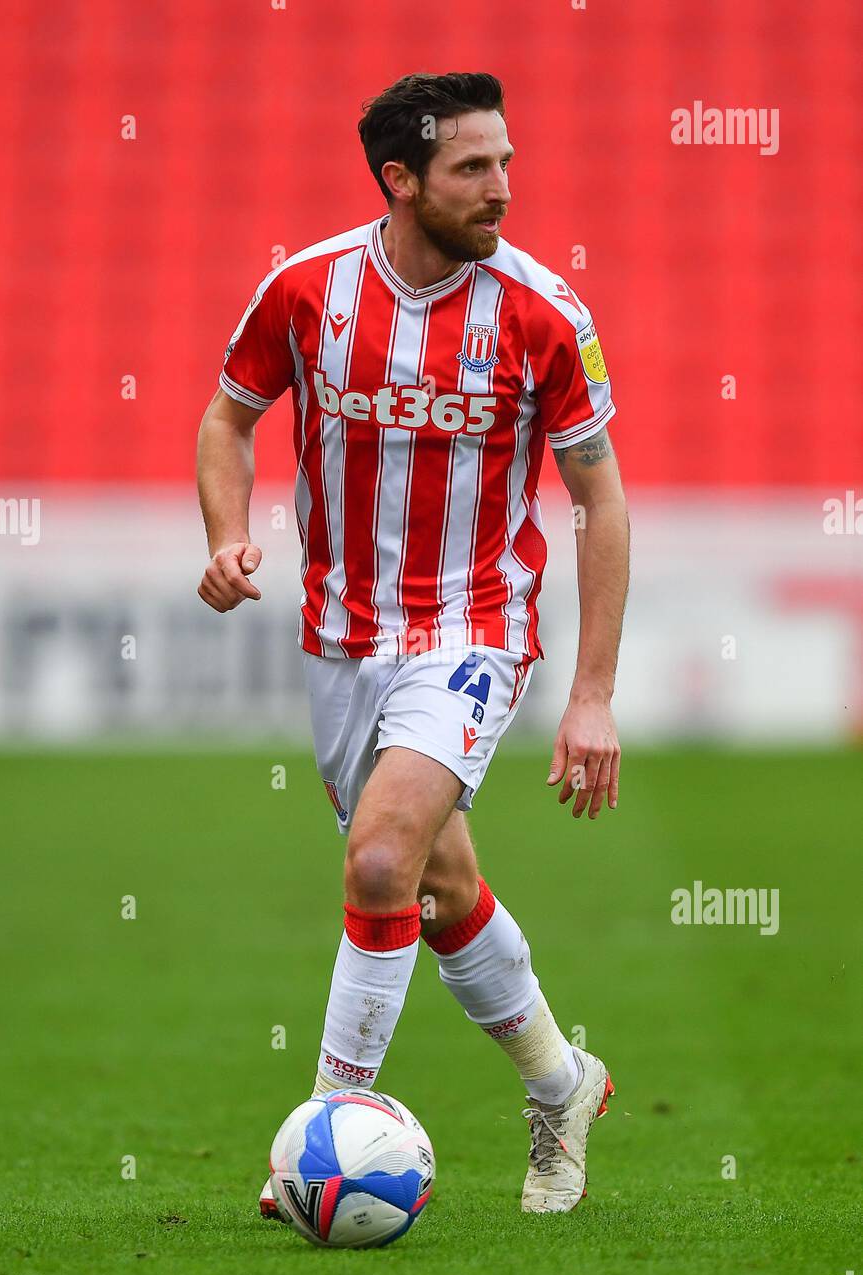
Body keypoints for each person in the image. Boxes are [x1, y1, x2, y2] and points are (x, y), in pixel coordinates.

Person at [196, 71, 629, 1215]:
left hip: (474, 628)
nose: (500, 188)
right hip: (341, 642)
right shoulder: (305, 291)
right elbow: (228, 417)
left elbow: (601, 498)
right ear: (400, 180)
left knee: (382, 859)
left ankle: (318, 1144)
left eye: (506, 162)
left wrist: (589, 694)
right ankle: (560, 1080)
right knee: (436, 889)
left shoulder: (542, 312)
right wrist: (230, 534)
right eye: (471, 168)